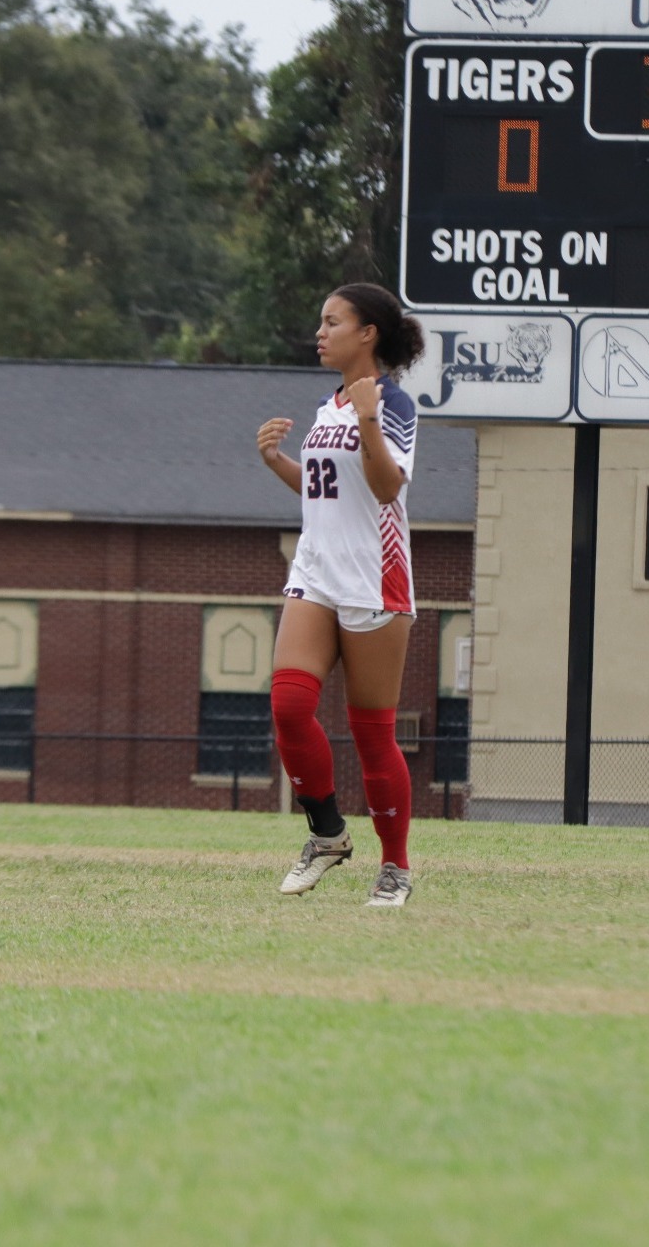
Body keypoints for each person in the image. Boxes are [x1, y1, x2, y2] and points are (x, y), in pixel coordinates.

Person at [255, 283, 424, 908]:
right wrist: (277, 462)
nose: (320, 333)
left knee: (372, 734)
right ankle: (327, 834)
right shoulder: (330, 406)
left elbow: (385, 488)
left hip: (375, 577)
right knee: (289, 705)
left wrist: (369, 417)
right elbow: (324, 490)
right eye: (321, 322)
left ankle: (395, 867)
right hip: (317, 572)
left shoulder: (393, 403)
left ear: (368, 333)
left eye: (333, 322)